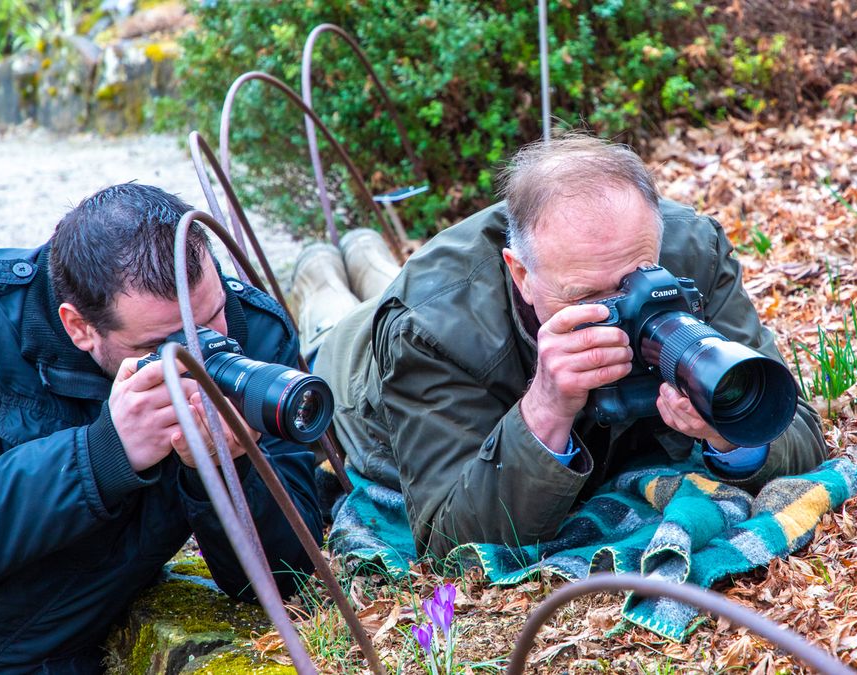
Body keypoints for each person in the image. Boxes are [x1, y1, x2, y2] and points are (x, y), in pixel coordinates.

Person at [311, 133, 828, 558]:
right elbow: (452, 540)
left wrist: (732, 435)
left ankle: (363, 249)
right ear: (522, 274)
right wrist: (543, 408)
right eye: (587, 297)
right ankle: (324, 262)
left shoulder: (691, 250)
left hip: (457, 287)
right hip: (354, 366)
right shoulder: (427, 328)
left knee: (373, 262)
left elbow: (795, 424)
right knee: (329, 306)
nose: (624, 309)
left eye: (638, 278)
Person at [0, 184, 324, 672]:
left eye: (211, 316)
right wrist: (104, 454)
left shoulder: (256, 336)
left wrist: (232, 467)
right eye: (165, 344)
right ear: (79, 327)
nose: (206, 348)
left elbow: (286, 581)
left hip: (64, 655)